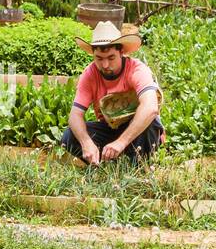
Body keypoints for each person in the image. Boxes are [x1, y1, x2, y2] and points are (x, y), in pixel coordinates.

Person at [61, 20, 164, 165]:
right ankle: (103, 162)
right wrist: (86, 142)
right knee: (69, 135)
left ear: (121, 52)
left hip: (138, 130)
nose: (105, 65)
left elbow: (151, 107)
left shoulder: (137, 69)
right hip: (111, 129)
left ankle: (136, 166)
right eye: (99, 58)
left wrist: (121, 142)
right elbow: (74, 115)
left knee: (151, 122)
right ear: (93, 54)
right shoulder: (89, 74)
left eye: (111, 58)